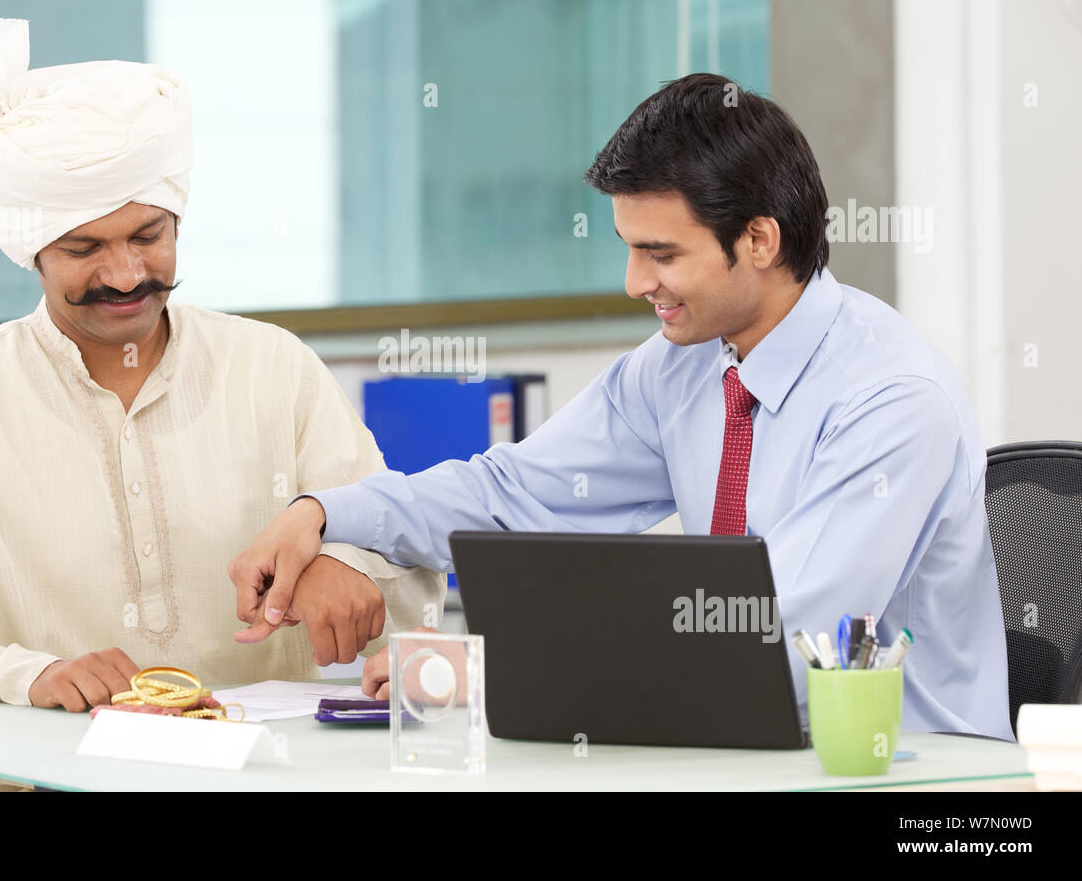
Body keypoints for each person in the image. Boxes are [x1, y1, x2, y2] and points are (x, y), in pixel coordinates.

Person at [229, 73, 1013, 741]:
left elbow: (770, 636)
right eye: (630, 248)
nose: (637, 283)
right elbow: (516, 495)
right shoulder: (686, 365)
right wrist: (325, 514)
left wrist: (499, 672)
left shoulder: (892, 402)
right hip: (737, 752)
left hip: (904, 781)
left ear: (762, 240)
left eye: (662, 253)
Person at [0, 15, 443, 789]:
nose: (126, 274)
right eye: (84, 249)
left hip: (279, 780)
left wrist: (347, 559)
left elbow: (411, 566)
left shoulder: (275, 368)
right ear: (30, 250)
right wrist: (30, 674)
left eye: (148, 236)